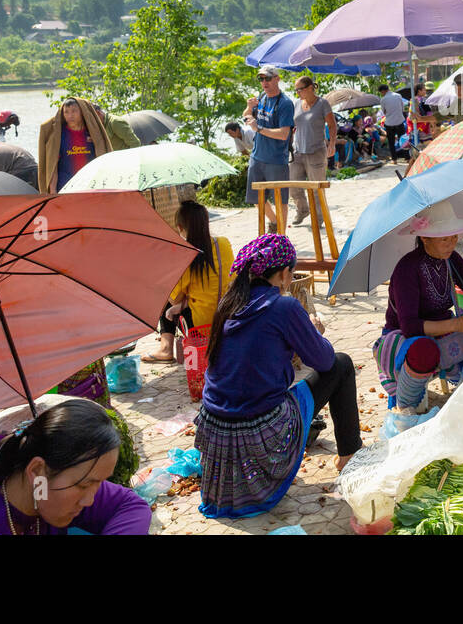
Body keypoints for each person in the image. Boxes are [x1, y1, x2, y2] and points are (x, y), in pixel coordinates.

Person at [196, 234, 362, 518]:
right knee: (342, 364)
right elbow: (323, 361)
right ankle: (349, 456)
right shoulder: (284, 307)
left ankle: (337, 450)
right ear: (285, 274)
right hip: (259, 430)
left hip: (216, 429)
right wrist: (315, 332)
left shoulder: (229, 303)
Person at [0, 399, 150, 535]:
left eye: (98, 483)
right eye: (84, 485)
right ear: (37, 471)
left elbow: (130, 505)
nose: (90, 499)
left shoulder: (42, 493)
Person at [373, 202, 463, 412]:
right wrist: (456, 324)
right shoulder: (407, 269)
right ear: (425, 238)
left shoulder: (451, 259)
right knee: (424, 350)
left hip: (447, 333)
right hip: (407, 338)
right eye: (444, 239)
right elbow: (411, 327)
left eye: (453, 237)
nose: (451, 243)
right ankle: (406, 409)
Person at [144, 200, 235, 363]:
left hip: (202, 328)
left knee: (163, 293)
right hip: (227, 319)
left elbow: (174, 299)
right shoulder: (223, 244)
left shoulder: (186, 255)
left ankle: (166, 348)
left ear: (180, 228)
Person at [244, 65, 295, 228]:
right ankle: (274, 223)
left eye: (268, 78)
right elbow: (247, 118)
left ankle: (282, 237)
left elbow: (284, 134)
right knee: (256, 200)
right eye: (261, 79)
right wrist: (249, 108)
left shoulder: (285, 103)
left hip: (276, 160)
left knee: (281, 201)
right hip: (256, 157)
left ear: (277, 79)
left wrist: (258, 128)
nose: (264, 82)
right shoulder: (262, 97)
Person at [287, 76, 337, 226]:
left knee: (316, 188)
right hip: (297, 152)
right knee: (293, 185)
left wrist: (332, 144)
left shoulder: (322, 104)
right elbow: (292, 126)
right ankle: (302, 210)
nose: (297, 93)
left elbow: (332, 125)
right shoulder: (296, 104)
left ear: (310, 88)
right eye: (296, 90)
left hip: (316, 151)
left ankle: (319, 218)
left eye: (299, 89)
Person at [37, 98, 113, 193]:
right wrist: (53, 191)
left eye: (74, 111)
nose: (70, 116)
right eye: (66, 112)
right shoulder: (59, 136)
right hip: (66, 187)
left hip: (90, 186)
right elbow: (53, 166)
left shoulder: (93, 134)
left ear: (82, 112)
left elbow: (102, 159)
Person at [378, 83, 407, 163]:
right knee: (403, 140)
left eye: (381, 93)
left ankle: (394, 159)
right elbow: (402, 108)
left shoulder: (383, 99)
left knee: (391, 142)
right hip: (399, 121)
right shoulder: (398, 96)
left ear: (383, 91)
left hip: (389, 123)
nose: (382, 94)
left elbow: (384, 112)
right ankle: (407, 157)